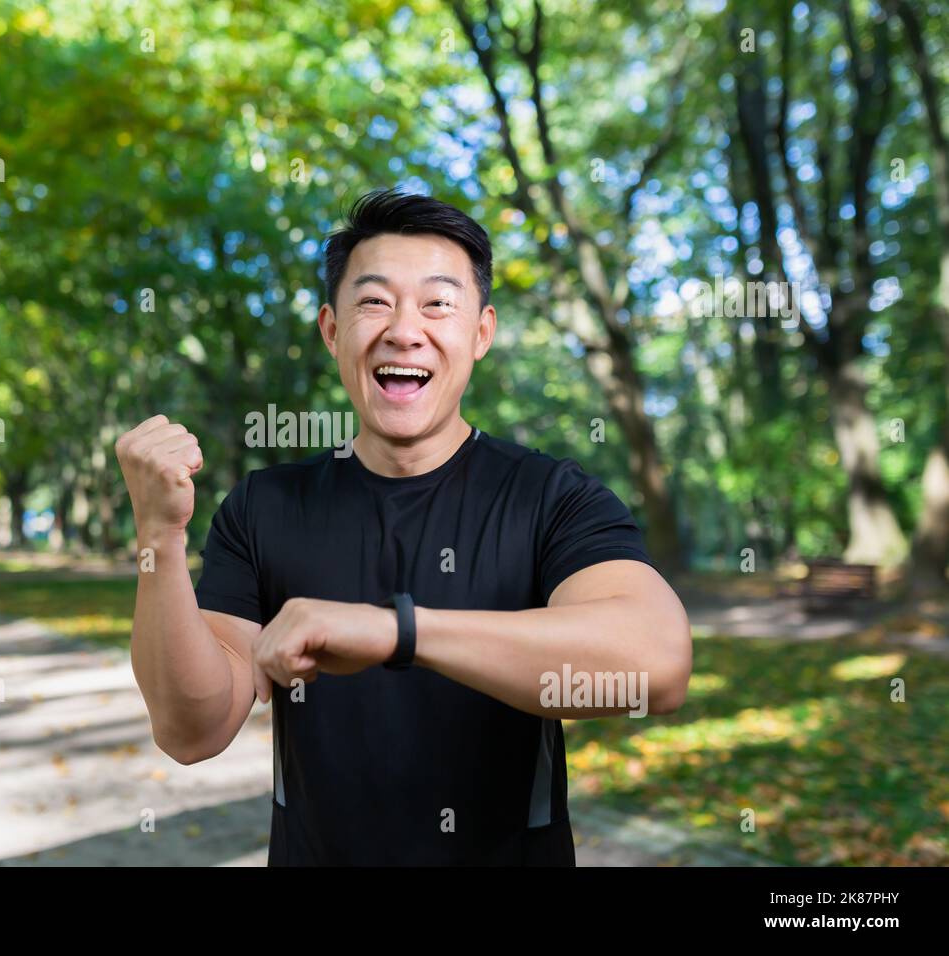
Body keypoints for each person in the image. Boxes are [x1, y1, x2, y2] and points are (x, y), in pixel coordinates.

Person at [114, 188, 692, 865]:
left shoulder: (552, 497)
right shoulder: (264, 507)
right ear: (333, 331)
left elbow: (656, 667)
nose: (404, 329)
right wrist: (159, 537)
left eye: (439, 303)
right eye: (375, 301)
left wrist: (397, 630)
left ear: (481, 332)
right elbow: (191, 731)